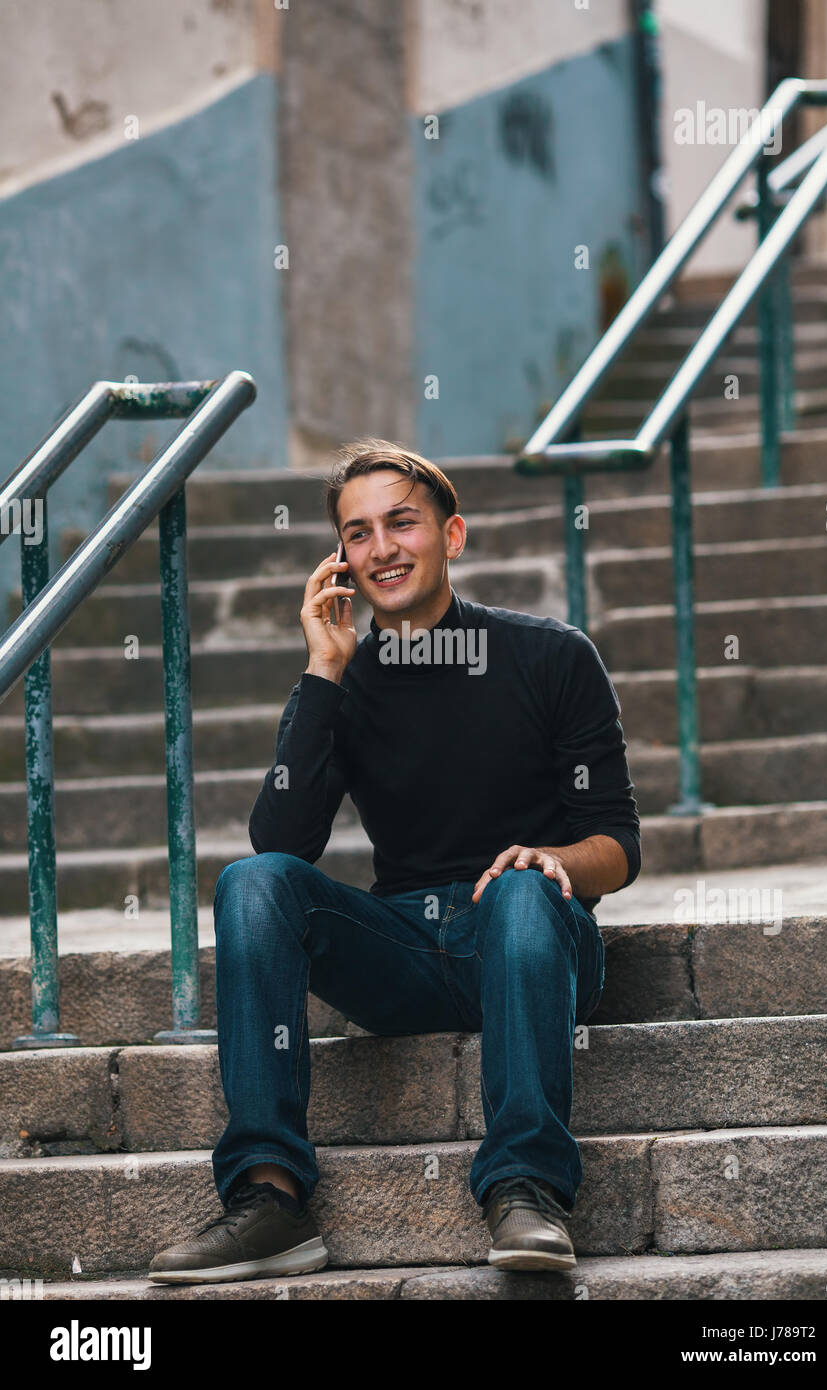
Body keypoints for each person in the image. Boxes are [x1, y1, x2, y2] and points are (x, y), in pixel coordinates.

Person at [148, 439, 640, 1283]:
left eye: (401, 523)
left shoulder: (552, 655)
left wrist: (551, 861)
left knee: (521, 892)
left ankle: (526, 1186)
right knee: (249, 882)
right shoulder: (344, 680)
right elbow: (284, 848)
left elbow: (618, 847)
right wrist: (323, 671)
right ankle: (268, 1200)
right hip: (408, 947)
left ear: (451, 536)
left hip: (534, 940)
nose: (381, 548)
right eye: (358, 533)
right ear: (341, 557)